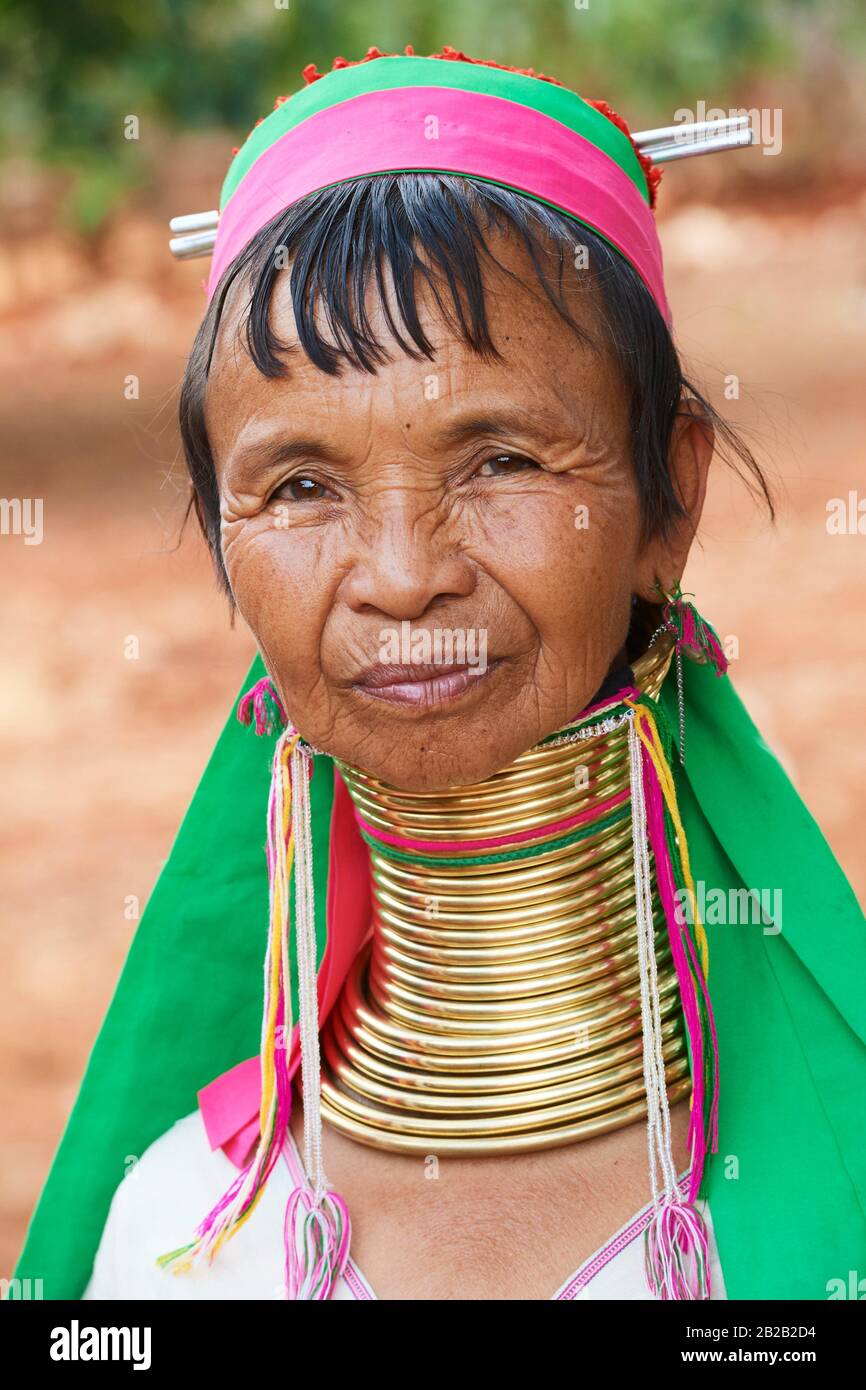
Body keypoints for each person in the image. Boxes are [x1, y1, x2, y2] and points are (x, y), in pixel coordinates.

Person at [13, 46, 866, 1302]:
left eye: (501, 461)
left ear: (667, 503)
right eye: (300, 485)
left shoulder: (835, 1199)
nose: (402, 575)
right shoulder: (176, 1238)